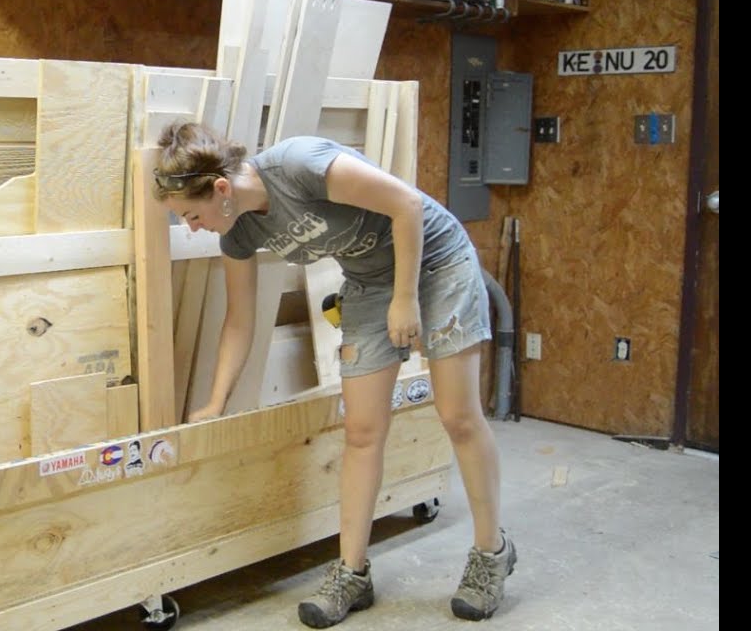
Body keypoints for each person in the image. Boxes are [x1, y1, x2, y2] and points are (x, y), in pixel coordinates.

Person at [153, 120, 516, 628]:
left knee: (457, 414)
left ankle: (490, 554)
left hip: (437, 262)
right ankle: (352, 572)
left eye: (191, 215)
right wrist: (215, 401)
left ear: (220, 189)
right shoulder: (237, 232)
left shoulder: (300, 166)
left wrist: (406, 300)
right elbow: (239, 320)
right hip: (368, 282)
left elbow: (406, 205)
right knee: (362, 430)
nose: (192, 227)